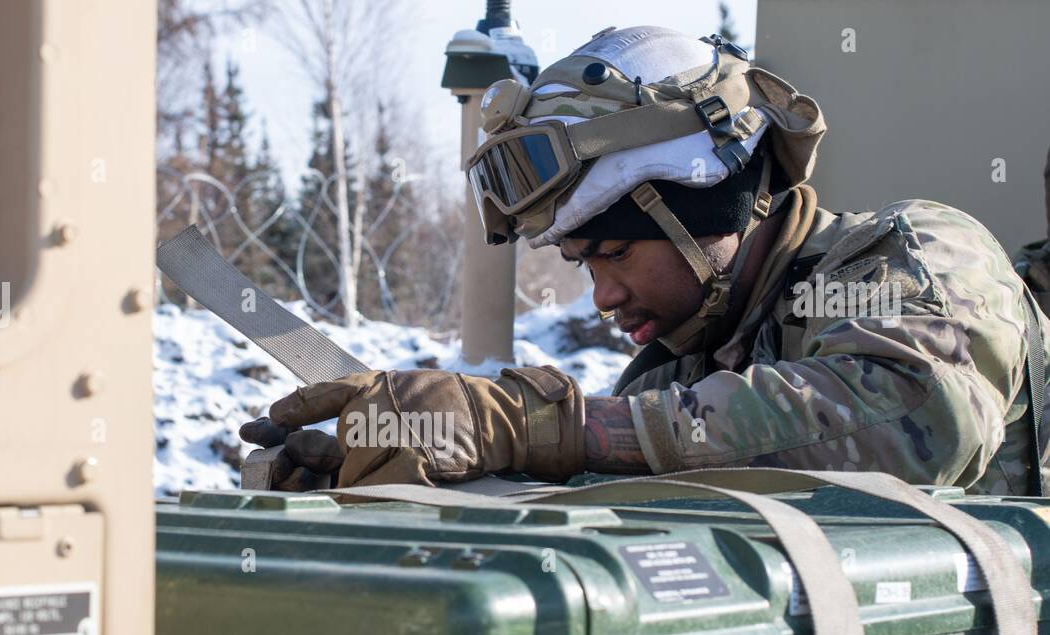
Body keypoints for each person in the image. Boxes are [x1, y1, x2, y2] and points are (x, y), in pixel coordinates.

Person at [241, 25, 1050, 495]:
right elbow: (602, 492)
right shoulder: (678, 373)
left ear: (708, 205)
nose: (601, 295)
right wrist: (421, 471)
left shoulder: (921, 257)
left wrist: (526, 423)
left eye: (615, 252)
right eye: (582, 263)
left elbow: (914, 421)